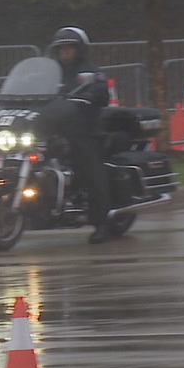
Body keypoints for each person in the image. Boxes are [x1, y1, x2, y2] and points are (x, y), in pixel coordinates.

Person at [49, 26, 113, 244]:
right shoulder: (49, 71)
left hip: (84, 127)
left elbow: (103, 92)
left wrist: (95, 90)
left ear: (79, 50)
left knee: (89, 166)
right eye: (61, 49)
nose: (65, 53)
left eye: (70, 48)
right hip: (54, 127)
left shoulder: (90, 71)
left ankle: (101, 222)